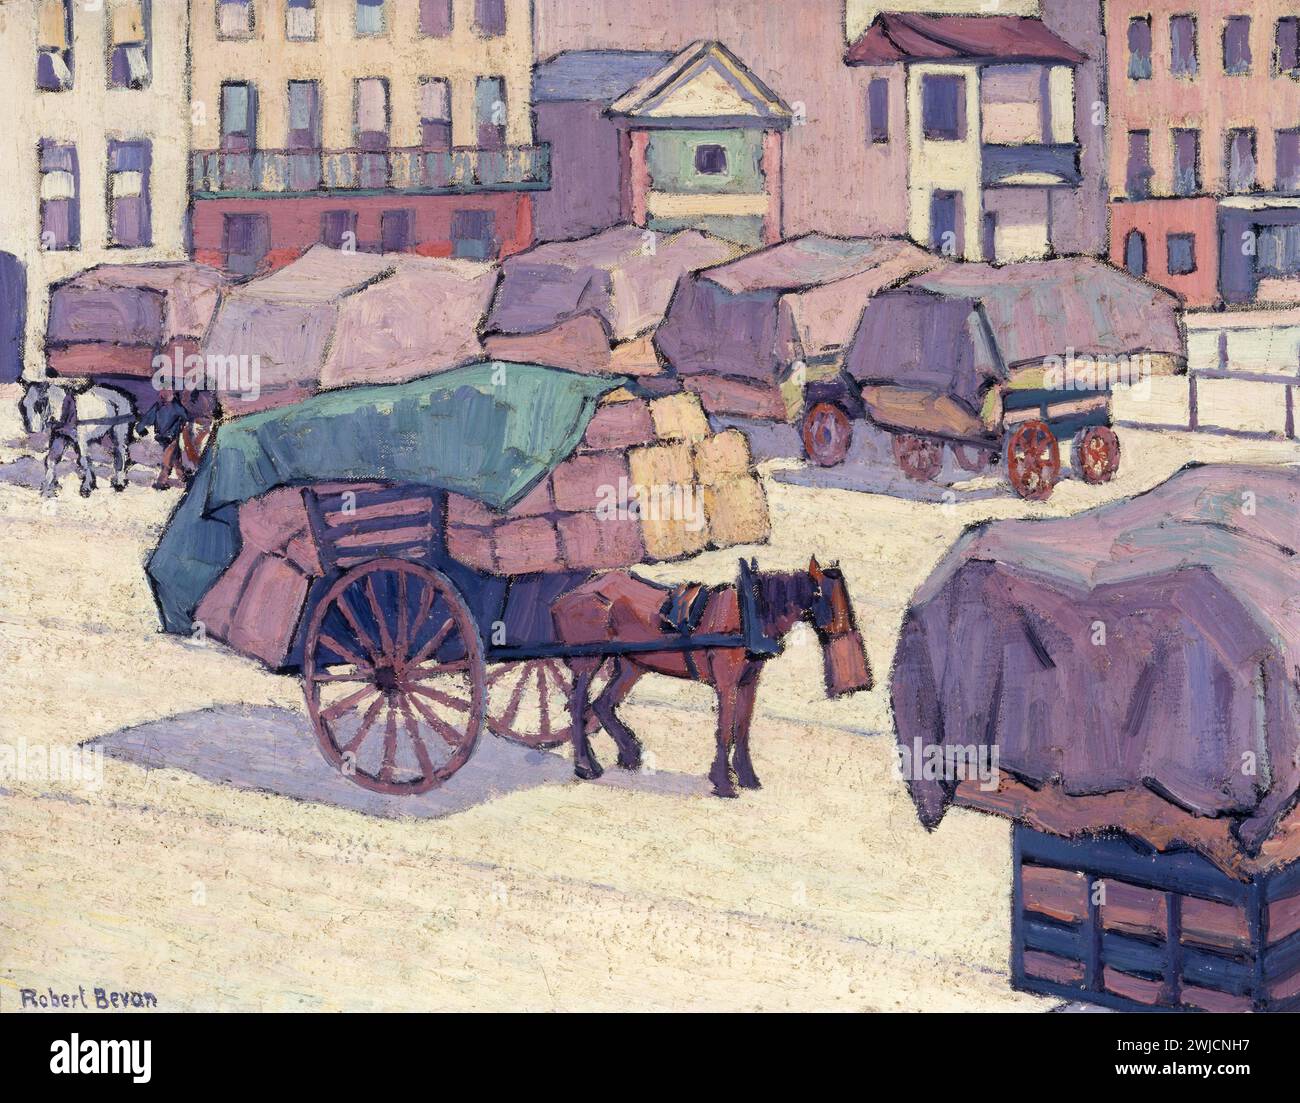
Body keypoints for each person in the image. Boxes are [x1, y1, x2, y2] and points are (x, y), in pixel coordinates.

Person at [136, 388, 189, 489]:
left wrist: (178, 428)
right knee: (175, 458)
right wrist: (140, 428)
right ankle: (182, 475)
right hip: (162, 438)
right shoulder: (158, 407)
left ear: (172, 393)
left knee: (167, 459)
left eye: (167, 391)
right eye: (162, 391)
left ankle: (161, 481)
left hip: (172, 439)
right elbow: (147, 419)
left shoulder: (177, 407)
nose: (162, 394)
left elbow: (185, 417)